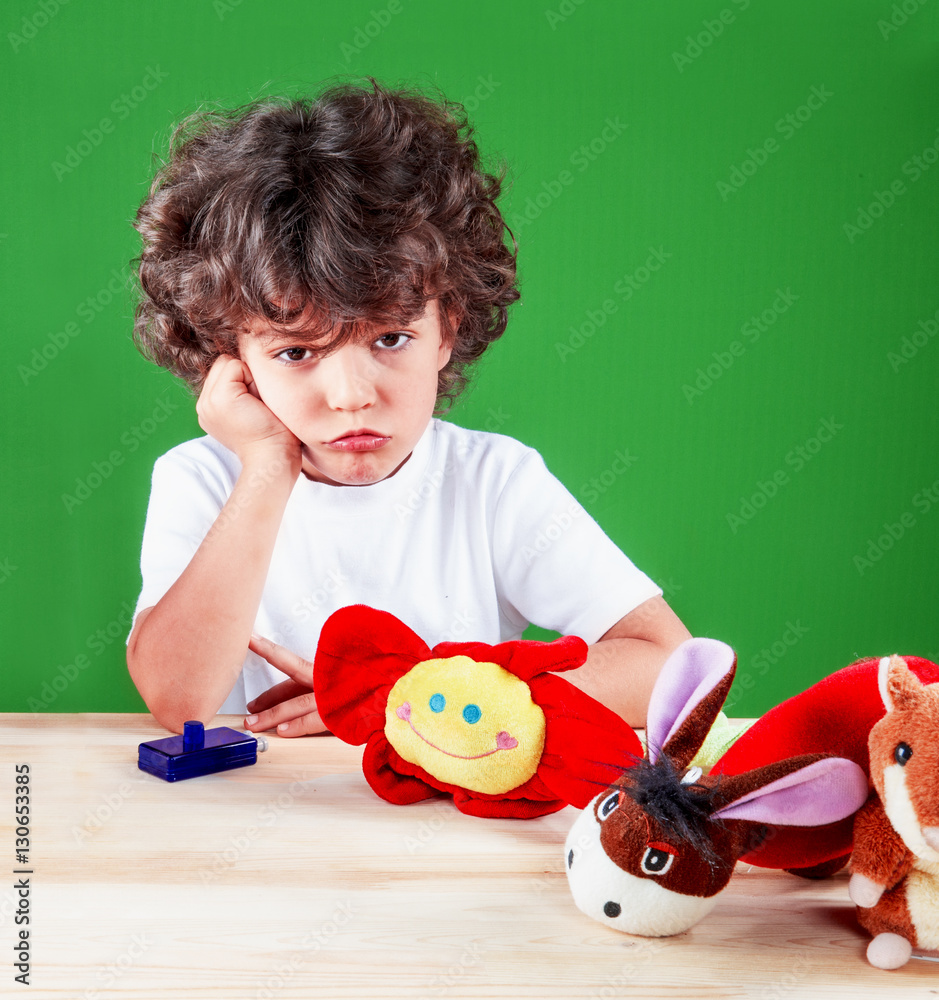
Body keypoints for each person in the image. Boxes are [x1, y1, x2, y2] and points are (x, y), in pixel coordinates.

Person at [125, 78, 690, 738]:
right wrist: (265, 466)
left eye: (390, 338)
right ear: (233, 359)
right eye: (296, 353)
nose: (351, 394)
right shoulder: (203, 479)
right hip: (262, 819)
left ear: (446, 329)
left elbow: (667, 662)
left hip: (453, 830)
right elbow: (178, 700)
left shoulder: (492, 483)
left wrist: (417, 698)